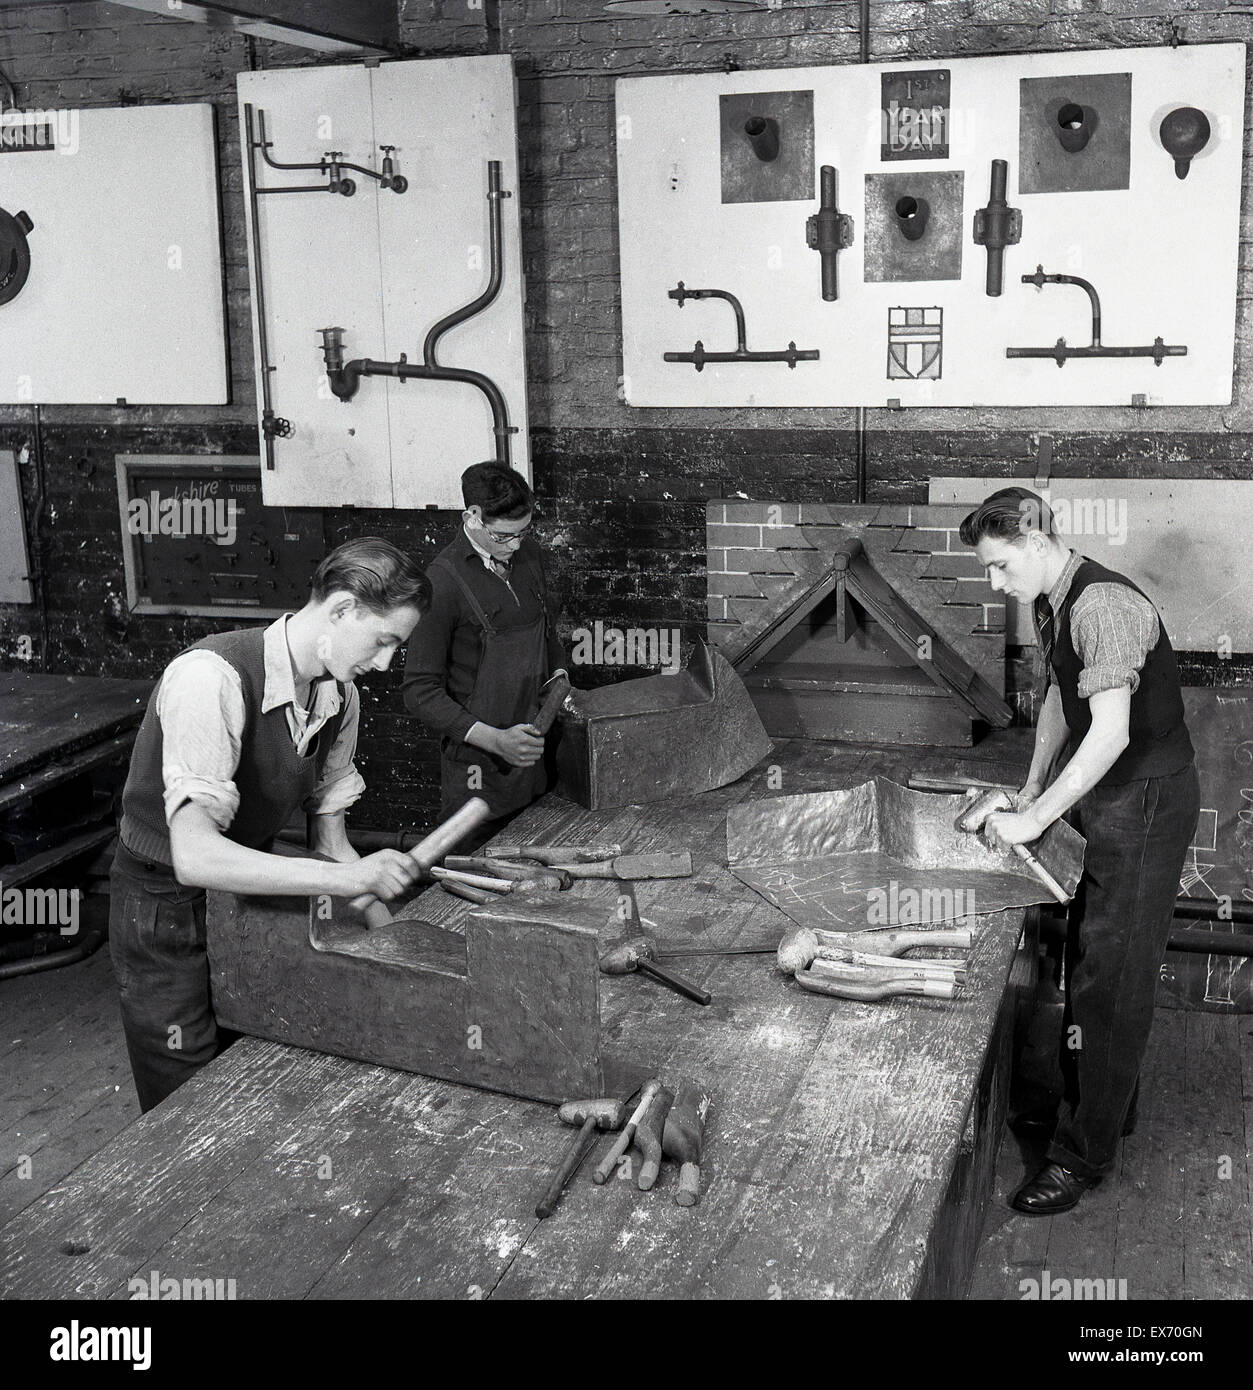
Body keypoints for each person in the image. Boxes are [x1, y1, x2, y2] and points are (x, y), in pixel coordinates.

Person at [110, 537, 431, 1112]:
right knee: (184, 1097)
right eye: (383, 641)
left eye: (397, 648)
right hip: (165, 906)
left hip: (250, 896)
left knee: (256, 1062)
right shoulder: (212, 676)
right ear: (340, 609)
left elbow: (332, 846)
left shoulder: (340, 697)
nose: (385, 664)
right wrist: (348, 883)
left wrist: (397, 952)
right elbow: (197, 858)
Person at [959, 487, 1199, 1216]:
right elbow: (1064, 700)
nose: (997, 584)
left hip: (1146, 800)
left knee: (1112, 982)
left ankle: (1083, 1155)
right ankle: (1096, 1106)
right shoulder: (1051, 600)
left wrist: (1035, 825)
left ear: (1035, 542)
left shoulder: (1101, 606)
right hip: (1109, 797)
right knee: (1085, 957)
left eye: (1000, 566)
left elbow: (1109, 732)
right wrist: (1026, 793)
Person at [402, 462, 566, 842]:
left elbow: (545, 633)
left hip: (533, 753)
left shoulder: (529, 557)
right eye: (504, 536)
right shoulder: (441, 583)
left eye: (524, 532)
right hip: (479, 765)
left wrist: (558, 675)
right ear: (472, 518)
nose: (516, 545)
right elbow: (419, 691)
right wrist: (495, 741)